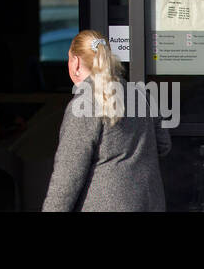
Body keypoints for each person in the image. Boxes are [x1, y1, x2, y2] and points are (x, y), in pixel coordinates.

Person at [41, 29, 170, 212]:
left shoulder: (84, 103)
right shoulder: (141, 94)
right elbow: (163, 145)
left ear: (75, 62)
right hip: (149, 202)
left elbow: (67, 177)